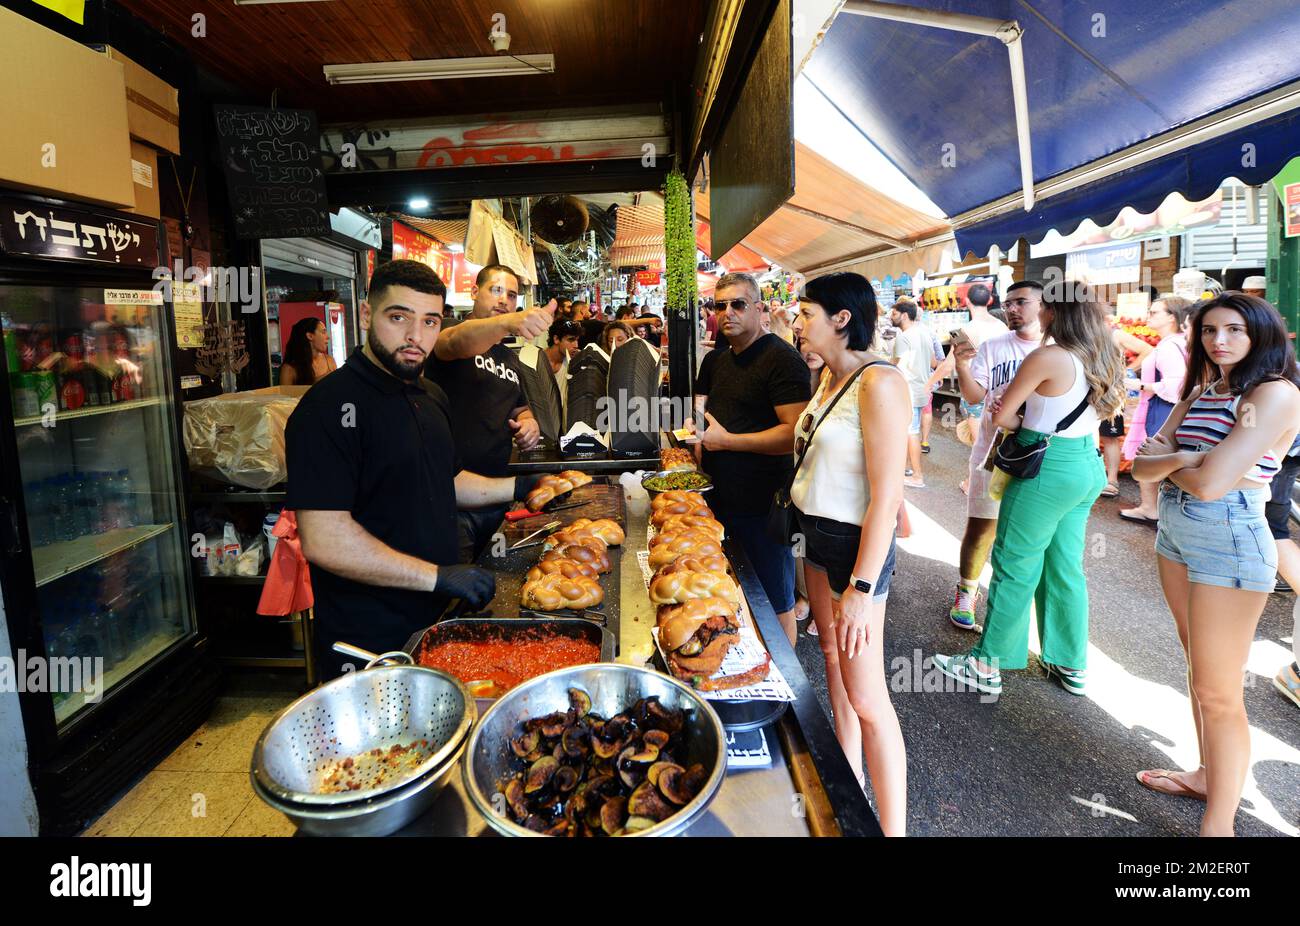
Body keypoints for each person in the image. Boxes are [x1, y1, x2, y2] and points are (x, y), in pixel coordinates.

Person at [285, 260, 530, 678]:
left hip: (433, 619)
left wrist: (521, 486)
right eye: (398, 317)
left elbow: (448, 481)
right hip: (368, 640)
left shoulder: (430, 394)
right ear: (366, 315)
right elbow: (325, 540)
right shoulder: (326, 408)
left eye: (430, 321)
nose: (416, 337)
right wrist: (437, 577)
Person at [1130, 293, 1300, 835]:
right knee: (1199, 671)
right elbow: (1141, 465)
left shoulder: (1275, 393)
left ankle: (1220, 825)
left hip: (1230, 535)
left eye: (1233, 330)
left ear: (1260, 335)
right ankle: (1207, 775)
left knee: (1219, 691)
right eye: (1208, 331)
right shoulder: (1207, 390)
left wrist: (1174, 462)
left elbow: (1210, 484)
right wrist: (1182, 459)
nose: (1218, 341)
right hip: (1177, 534)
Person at [935, 294, 1126, 697]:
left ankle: (988, 663)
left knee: (1014, 562)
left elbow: (1003, 416)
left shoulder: (1048, 357)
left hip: (1045, 465)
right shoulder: (1102, 355)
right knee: (1065, 566)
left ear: (1055, 312)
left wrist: (1017, 413)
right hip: (1085, 464)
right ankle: (1068, 661)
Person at [789, 272, 909, 834]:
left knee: (867, 696)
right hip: (814, 537)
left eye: (806, 313)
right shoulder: (829, 379)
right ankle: (850, 792)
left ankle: (893, 829)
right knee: (834, 667)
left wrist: (862, 589)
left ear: (842, 319)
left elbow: (886, 498)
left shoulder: (878, 381)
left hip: (854, 548)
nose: (797, 322)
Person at [693, 272, 812, 644]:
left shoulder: (782, 359)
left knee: (774, 601)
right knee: (729, 591)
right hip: (716, 500)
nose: (727, 313)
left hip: (763, 505)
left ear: (759, 309)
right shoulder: (715, 361)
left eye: (738, 304)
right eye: (720, 305)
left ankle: (787, 695)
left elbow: (794, 434)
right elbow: (700, 415)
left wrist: (728, 441)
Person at [424, 264, 553, 562]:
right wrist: (509, 322)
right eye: (495, 290)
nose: (503, 300)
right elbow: (457, 341)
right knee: (455, 599)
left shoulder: (507, 356)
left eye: (511, 295)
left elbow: (518, 405)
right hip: (451, 500)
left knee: (492, 588)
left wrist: (528, 422)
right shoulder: (450, 331)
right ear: (474, 292)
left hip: (497, 497)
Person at [945, 280, 1045, 629]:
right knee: (981, 525)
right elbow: (974, 397)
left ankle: (1013, 608)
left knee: (1026, 536)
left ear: (1043, 305)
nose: (1012, 309)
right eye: (1009, 303)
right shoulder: (993, 346)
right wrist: (961, 366)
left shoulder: (1057, 349)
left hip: (1038, 457)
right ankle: (967, 591)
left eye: (1022, 302)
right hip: (992, 452)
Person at [1118, 296, 1194, 524]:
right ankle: (1153, 507)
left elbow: (1175, 385)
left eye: (1154, 312)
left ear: (1172, 316)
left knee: (1152, 456)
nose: (1148, 316)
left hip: (1163, 407)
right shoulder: (1178, 342)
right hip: (1169, 407)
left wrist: (1140, 385)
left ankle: (1151, 508)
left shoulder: (1170, 346)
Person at [888, 300, 932, 487]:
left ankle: (917, 476)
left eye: (894, 313)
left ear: (904, 315)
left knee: (911, 432)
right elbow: (933, 362)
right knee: (910, 431)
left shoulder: (903, 337)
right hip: (922, 388)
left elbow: (894, 363)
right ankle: (905, 467)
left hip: (910, 390)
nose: (891, 316)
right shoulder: (923, 333)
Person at [278, 316, 337, 386]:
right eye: (323, 332)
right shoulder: (289, 369)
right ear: (310, 336)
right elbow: (285, 396)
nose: (328, 337)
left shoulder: (330, 360)